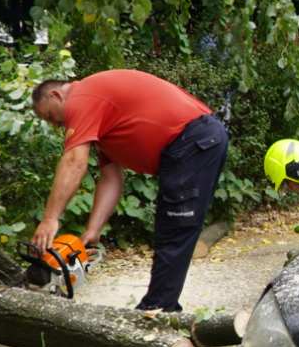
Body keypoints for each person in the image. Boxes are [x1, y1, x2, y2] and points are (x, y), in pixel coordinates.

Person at [31, 70, 228, 312]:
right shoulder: (100, 117)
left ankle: (158, 310)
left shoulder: (82, 98)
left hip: (193, 140)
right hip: (193, 143)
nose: (56, 125)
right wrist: (93, 230)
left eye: (51, 116)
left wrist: (50, 219)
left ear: (56, 95)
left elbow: (75, 161)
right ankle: (161, 306)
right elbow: (111, 178)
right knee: (171, 228)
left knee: (175, 229)